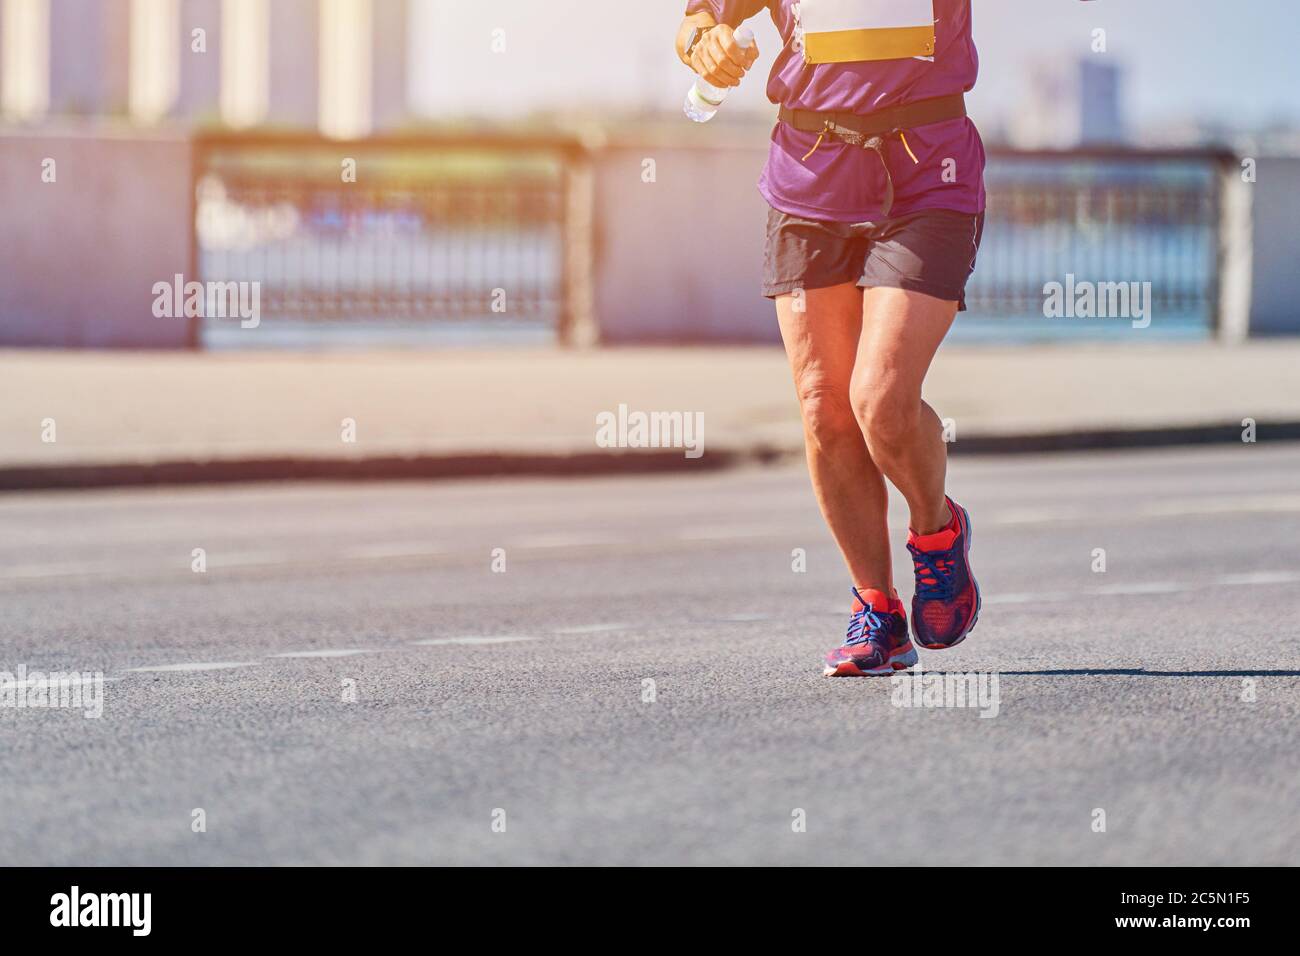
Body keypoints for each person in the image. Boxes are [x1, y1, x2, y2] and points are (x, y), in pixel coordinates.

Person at [675, 0, 983, 676]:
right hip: (808, 179)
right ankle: (876, 612)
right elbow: (699, 20)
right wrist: (706, 43)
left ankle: (936, 531)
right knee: (824, 406)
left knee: (880, 400)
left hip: (929, 176)